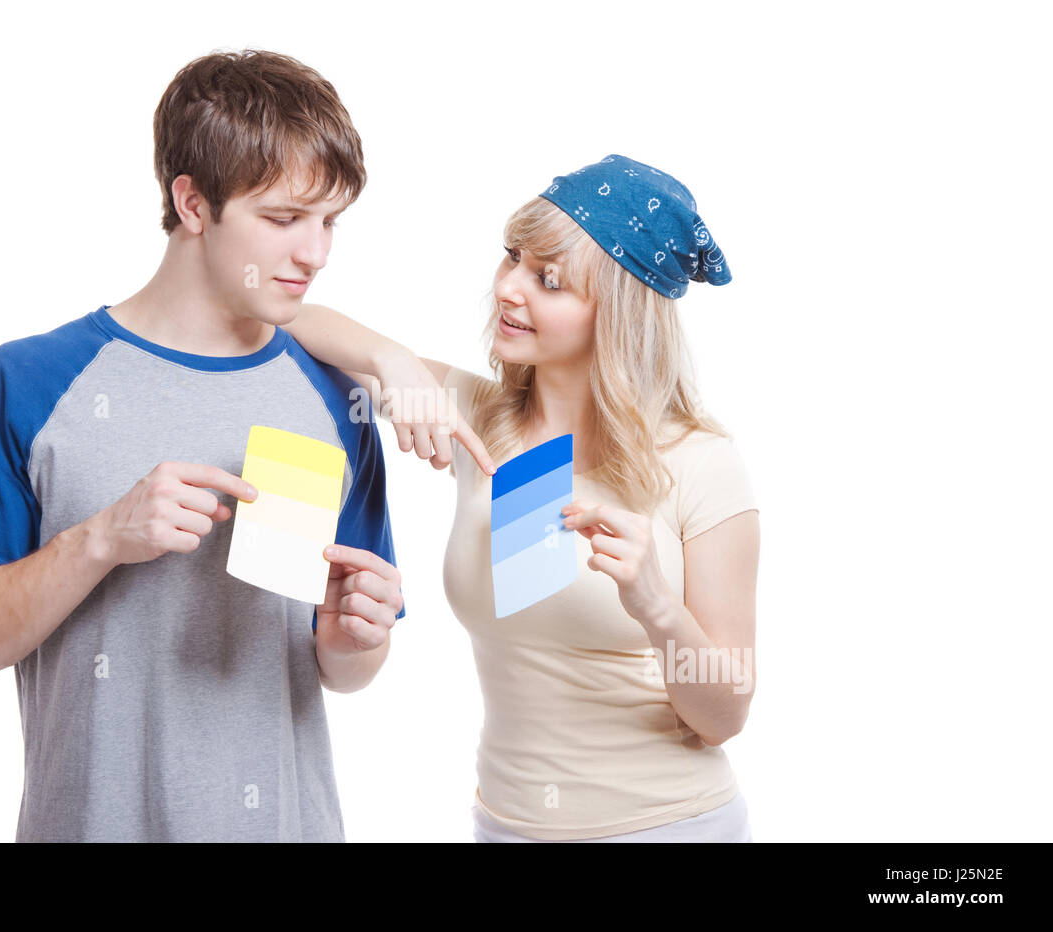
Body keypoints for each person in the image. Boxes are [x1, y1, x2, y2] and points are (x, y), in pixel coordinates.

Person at [0, 50, 405, 842]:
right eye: (281, 219)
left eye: (329, 220)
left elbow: (342, 669)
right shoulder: (29, 382)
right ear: (192, 203)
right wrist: (98, 541)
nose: (316, 254)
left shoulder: (338, 400)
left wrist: (352, 641)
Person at [285, 154, 760, 842]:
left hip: (664, 826)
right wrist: (395, 360)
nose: (509, 288)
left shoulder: (700, 463)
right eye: (512, 258)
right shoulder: (482, 422)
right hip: (505, 825)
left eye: (549, 280)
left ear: (619, 314)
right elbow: (291, 323)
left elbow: (725, 717)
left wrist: (657, 606)